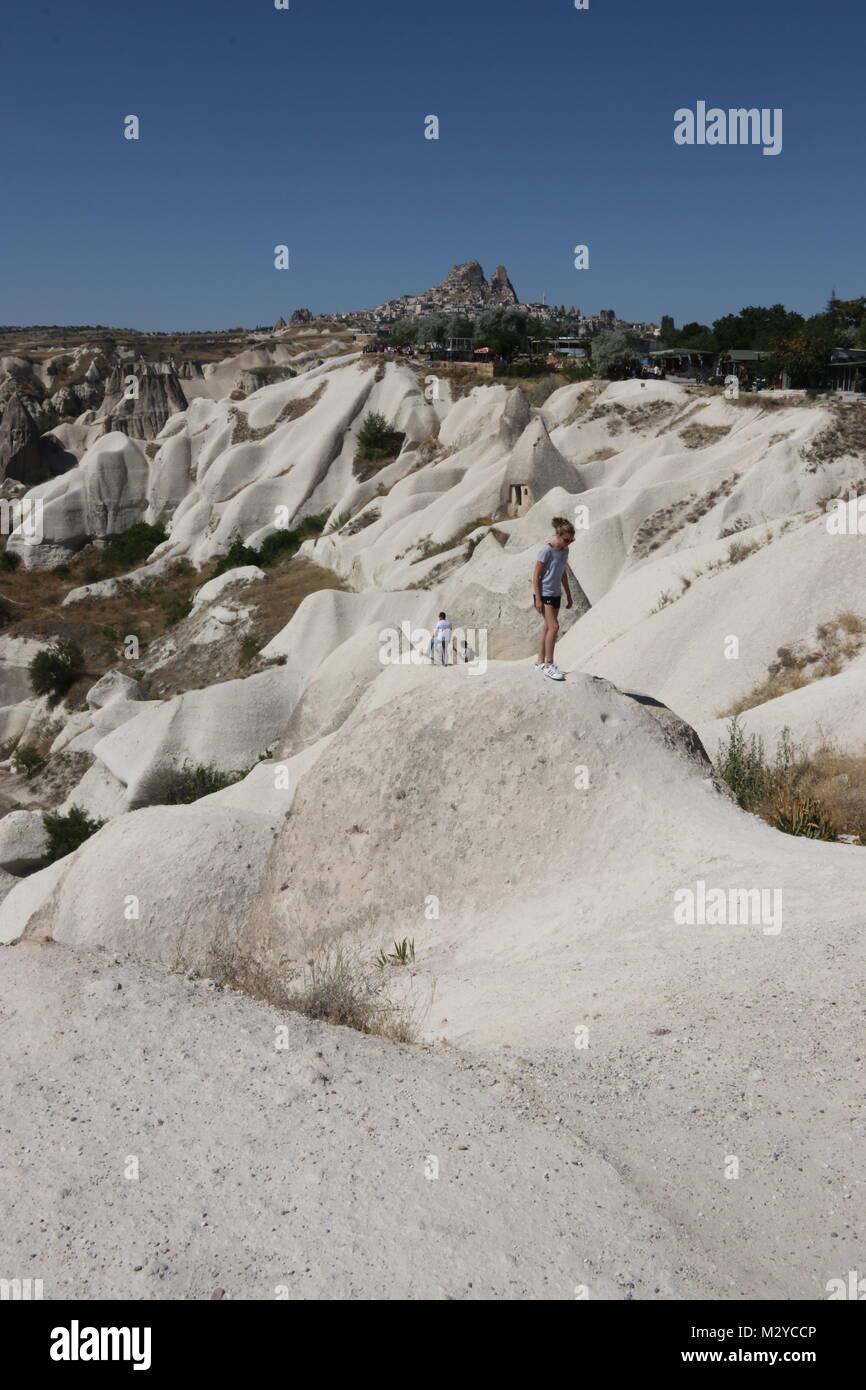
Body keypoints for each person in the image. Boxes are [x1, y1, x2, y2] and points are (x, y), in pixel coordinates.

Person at [533, 517, 575, 680]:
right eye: (566, 540)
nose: (568, 543)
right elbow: (536, 575)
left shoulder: (565, 551)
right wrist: (538, 598)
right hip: (544, 593)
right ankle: (549, 665)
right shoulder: (546, 551)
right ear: (558, 535)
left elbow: (562, 572)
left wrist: (569, 595)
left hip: (556, 593)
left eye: (571, 541)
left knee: (547, 628)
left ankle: (539, 663)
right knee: (554, 627)